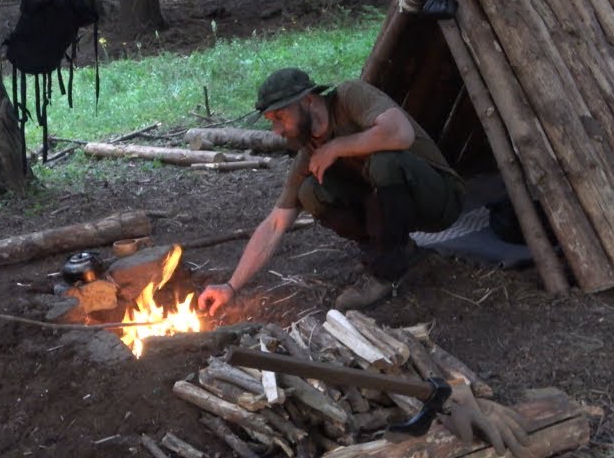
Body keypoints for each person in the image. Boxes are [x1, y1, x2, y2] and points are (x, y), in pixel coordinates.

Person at [197, 67, 466, 315]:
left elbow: (400, 133)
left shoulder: (350, 96)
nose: (277, 130)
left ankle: (386, 274)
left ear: (308, 101)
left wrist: (337, 147)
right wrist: (231, 286)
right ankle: (395, 250)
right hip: (400, 210)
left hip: (440, 201)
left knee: (384, 162)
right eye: (271, 121)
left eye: (280, 117)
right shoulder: (309, 152)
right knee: (310, 191)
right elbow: (276, 223)